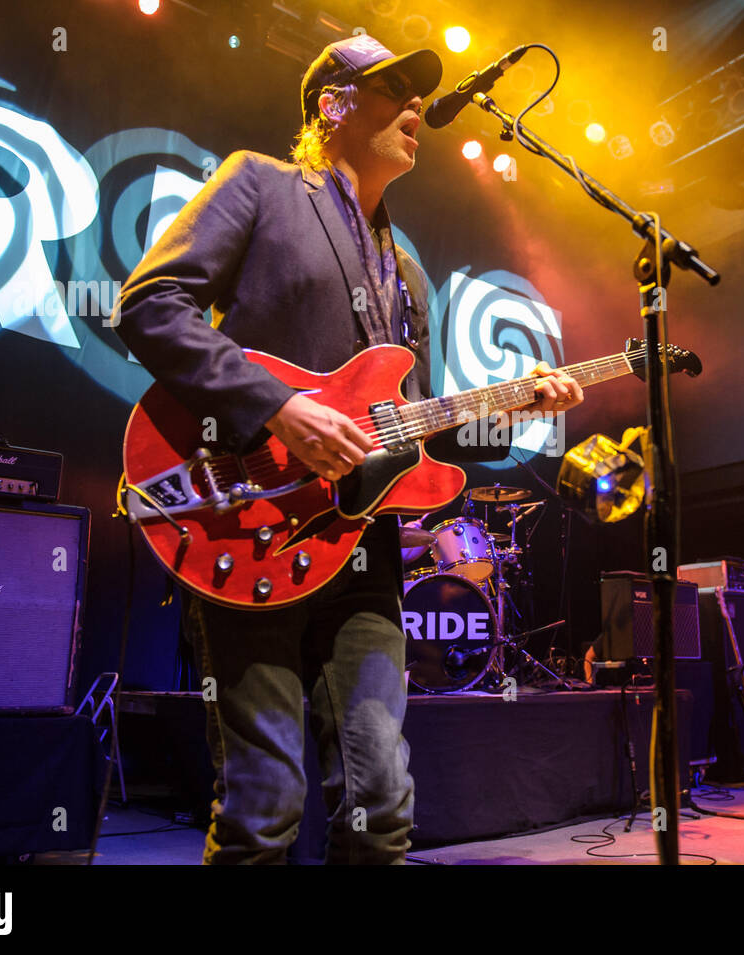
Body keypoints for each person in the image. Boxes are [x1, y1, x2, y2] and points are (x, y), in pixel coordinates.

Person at [115, 34, 583, 864]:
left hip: (359, 557)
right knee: (265, 808)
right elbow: (151, 305)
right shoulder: (258, 182)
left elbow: (419, 434)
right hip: (246, 526)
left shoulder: (405, 267)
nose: (416, 109)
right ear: (331, 107)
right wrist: (280, 409)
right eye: (392, 90)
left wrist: (517, 411)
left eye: (417, 94)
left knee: (382, 803)